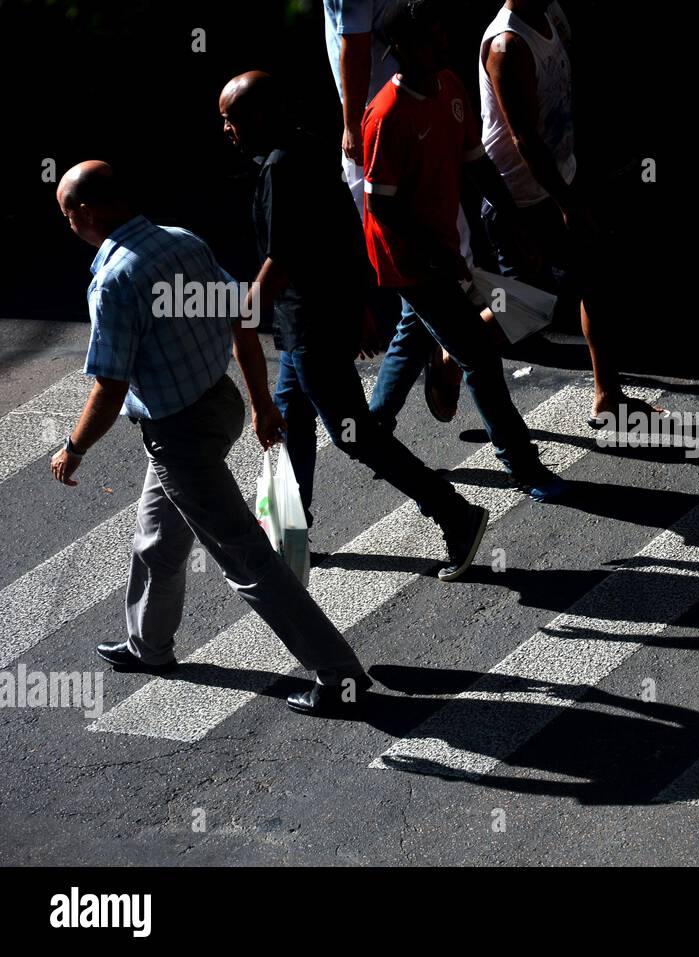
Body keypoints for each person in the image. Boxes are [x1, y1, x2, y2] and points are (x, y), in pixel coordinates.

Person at [48, 161, 369, 717]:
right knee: (157, 536)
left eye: (65, 213)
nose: (67, 222)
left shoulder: (116, 280)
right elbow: (240, 316)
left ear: (85, 213)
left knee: (247, 557)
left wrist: (73, 448)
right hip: (217, 405)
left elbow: (109, 385)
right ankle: (149, 645)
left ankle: (340, 674)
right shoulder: (181, 241)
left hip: (179, 435)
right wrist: (261, 402)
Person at [217, 70, 489, 580]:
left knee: (353, 434)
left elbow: (281, 258)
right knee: (292, 417)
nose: (225, 129)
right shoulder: (305, 147)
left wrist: (247, 313)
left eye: (230, 119)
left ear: (256, 116)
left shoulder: (280, 168)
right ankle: (288, 538)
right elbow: (344, 230)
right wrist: (359, 306)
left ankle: (454, 513)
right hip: (320, 319)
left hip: (312, 325)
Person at [362, 0, 568, 501]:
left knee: (413, 335)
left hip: (441, 250)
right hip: (411, 262)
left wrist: (514, 222)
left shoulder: (451, 87)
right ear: (400, 51)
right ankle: (522, 465)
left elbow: (477, 165)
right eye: (430, 36)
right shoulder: (385, 117)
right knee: (478, 356)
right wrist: (437, 253)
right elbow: (383, 211)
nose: (442, 41)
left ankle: (369, 436)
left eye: (439, 30)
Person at [479, 0, 664, 427]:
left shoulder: (550, 15)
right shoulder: (508, 45)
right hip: (521, 198)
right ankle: (458, 348)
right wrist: (566, 202)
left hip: (561, 177)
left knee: (593, 278)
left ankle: (607, 397)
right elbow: (523, 138)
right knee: (529, 305)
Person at [324, 0, 470, 421]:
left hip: (391, 116)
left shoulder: (399, 101)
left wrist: (352, 122)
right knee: (426, 292)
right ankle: (449, 362)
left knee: (421, 296)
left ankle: (383, 418)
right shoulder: (411, 97)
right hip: (399, 115)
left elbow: (355, 41)